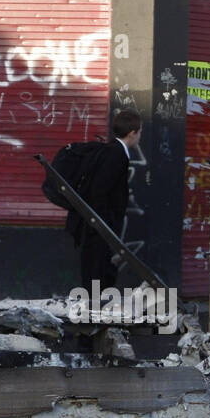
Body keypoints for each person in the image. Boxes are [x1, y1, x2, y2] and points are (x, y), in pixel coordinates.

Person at [67, 108, 141, 289]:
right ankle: (93, 309)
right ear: (132, 133)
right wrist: (105, 221)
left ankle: (95, 306)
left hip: (99, 223)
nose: (140, 137)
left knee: (99, 268)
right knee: (96, 269)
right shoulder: (117, 154)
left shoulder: (114, 151)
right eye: (140, 132)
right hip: (100, 225)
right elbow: (100, 189)